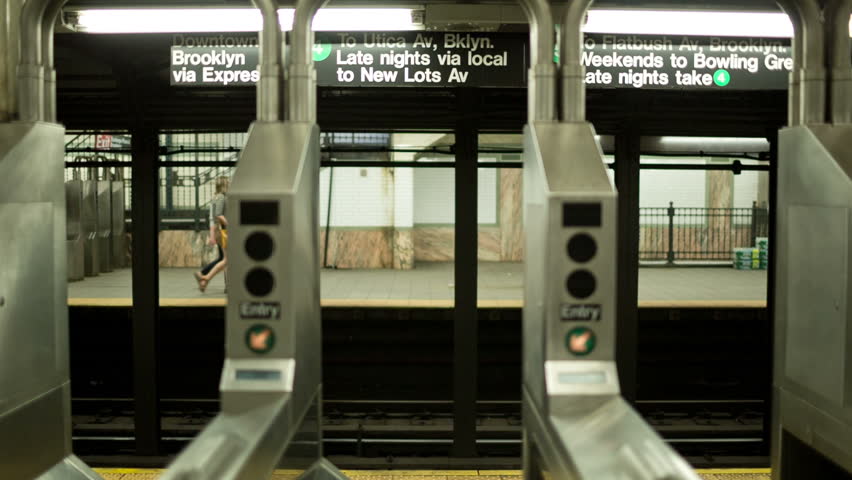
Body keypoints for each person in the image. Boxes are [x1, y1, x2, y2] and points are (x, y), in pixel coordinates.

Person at [194, 176, 229, 292]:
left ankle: (205, 279)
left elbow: (212, 217)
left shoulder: (216, 197)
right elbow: (218, 215)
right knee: (226, 259)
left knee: (224, 259)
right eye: (228, 183)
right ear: (224, 185)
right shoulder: (221, 198)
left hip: (219, 230)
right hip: (223, 230)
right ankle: (206, 277)